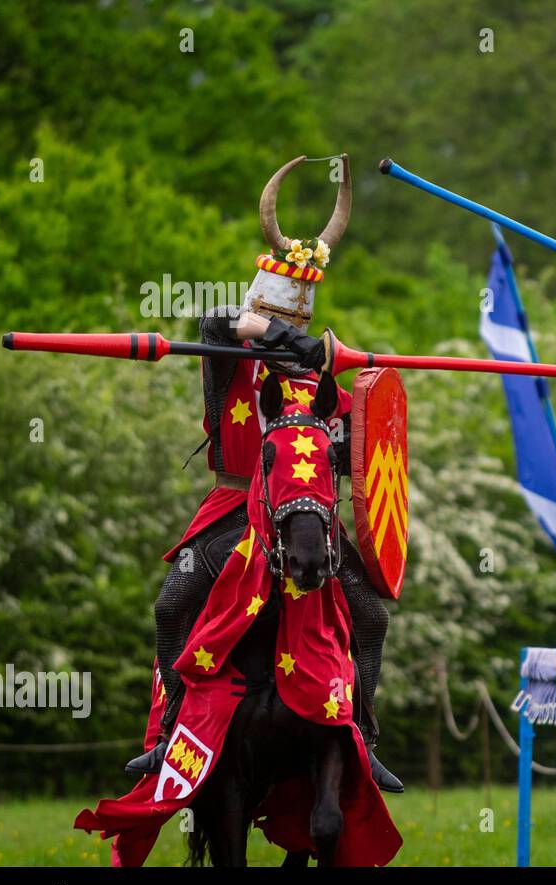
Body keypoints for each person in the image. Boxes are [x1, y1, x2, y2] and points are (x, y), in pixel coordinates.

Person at [125, 156, 401, 793]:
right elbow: (220, 319)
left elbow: (360, 429)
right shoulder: (225, 357)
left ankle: (363, 733)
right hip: (231, 512)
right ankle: (170, 732)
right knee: (172, 606)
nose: (294, 333)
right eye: (286, 321)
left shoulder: (315, 372)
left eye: (302, 324)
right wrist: (276, 335)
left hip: (303, 517)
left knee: (371, 617)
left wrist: (324, 358)